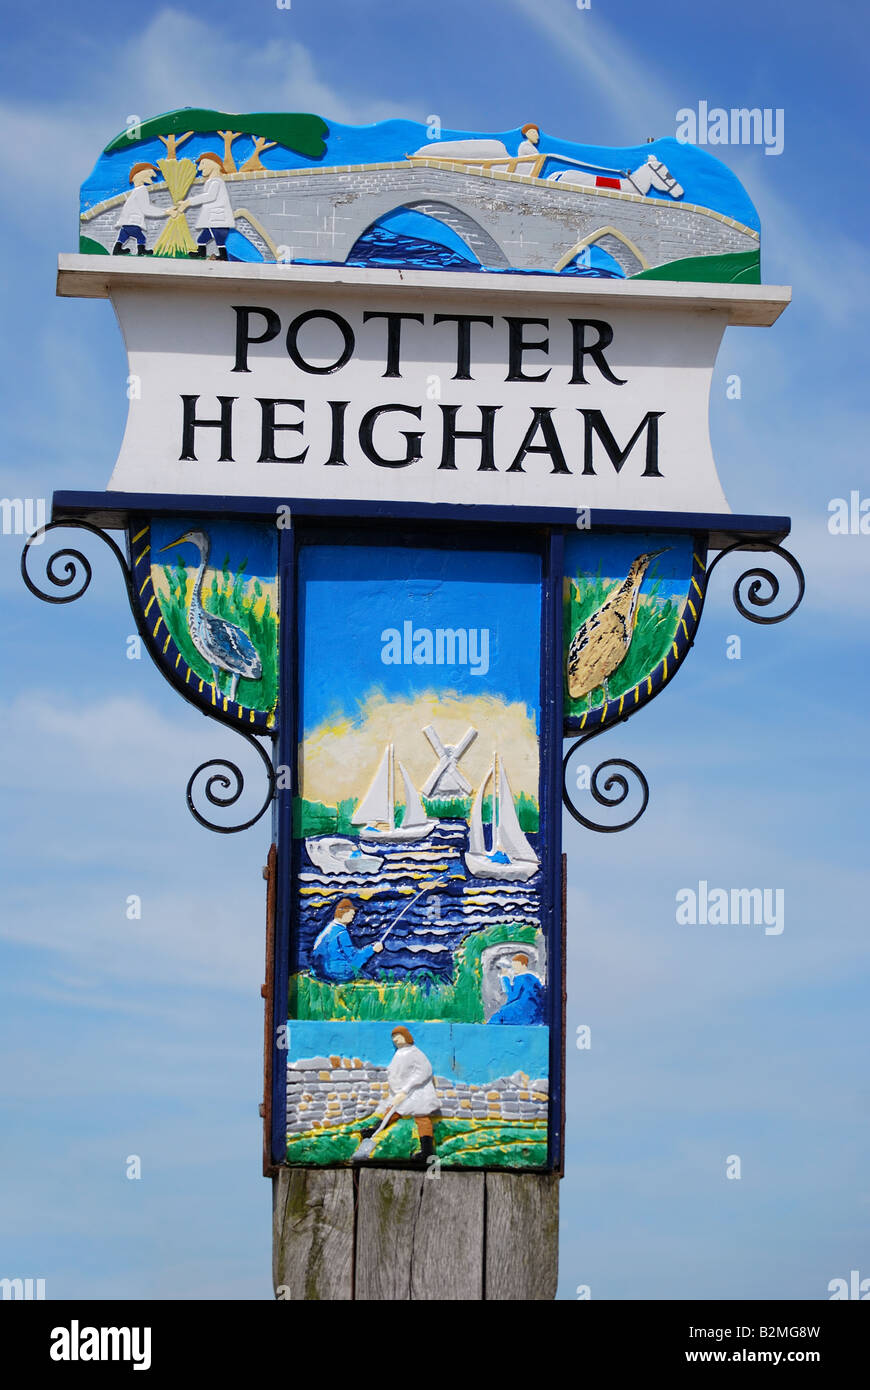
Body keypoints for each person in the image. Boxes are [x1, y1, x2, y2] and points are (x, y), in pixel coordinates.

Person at [359, 1026, 439, 1165]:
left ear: (406, 1036)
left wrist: (407, 1088)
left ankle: (427, 1152)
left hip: (416, 1092)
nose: (395, 1039)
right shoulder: (400, 1053)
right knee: (393, 1111)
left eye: (398, 1035)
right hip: (401, 1092)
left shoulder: (415, 1053)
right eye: (393, 1037)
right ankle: (375, 1130)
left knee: (422, 1118)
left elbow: (425, 1071)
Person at [178, 153, 235, 261]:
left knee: (219, 241)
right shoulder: (212, 181)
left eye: (203, 163)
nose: (200, 168)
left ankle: (223, 256)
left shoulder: (216, 182)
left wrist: (189, 202)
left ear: (213, 164)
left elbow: (210, 196)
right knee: (202, 239)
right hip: (213, 219)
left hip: (218, 219)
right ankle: (201, 253)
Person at [310, 898, 382, 983]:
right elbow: (354, 959)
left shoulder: (328, 930)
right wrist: (372, 949)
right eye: (351, 914)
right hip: (336, 975)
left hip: (320, 973)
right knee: (368, 977)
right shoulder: (342, 933)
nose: (352, 918)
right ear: (343, 913)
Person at [112, 163, 174, 256]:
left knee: (123, 236)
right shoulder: (142, 190)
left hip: (126, 222)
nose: (152, 175)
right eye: (149, 172)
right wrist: (165, 211)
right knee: (141, 238)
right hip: (133, 222)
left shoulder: (135, 192)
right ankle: (141, 251)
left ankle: (117, 249)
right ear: (140, 174)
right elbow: (146, 209)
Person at [488, 953, 546, 1025]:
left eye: (516, 965)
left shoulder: (521, 977)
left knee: (499, 1016)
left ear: (523, 965)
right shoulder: (531, 977)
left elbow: (512, 996)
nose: (514, 968)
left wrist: (505, 977)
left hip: (522, 1009)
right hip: (534, 1010)